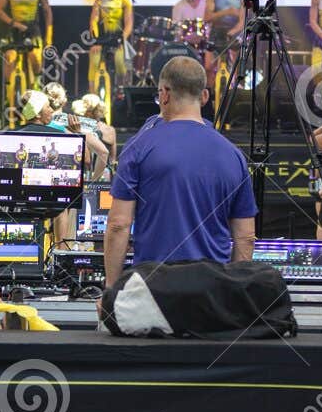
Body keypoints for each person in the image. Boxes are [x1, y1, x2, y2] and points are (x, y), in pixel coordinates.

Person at [105, 56, 256, 282]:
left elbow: (119, 225)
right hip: (212, 293)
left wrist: (111, 290)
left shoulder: (138, 147)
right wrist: (232, 291)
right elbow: (246, 238)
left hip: (153, 290)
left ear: (164, 94)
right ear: (204, 96)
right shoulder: (234, 155)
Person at [89, 0, 134, 85]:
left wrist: (122, 39)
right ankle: (92, 93)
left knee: (120, 62)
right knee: (94, 61)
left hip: (118, 39)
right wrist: (96, 41)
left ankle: (120, 91)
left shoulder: (125, 1)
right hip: (102, 39)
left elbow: (129, 23)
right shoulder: (99, 1)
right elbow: (93, 21)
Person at [203, 0, 244, 84]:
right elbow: (207, 18)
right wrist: (227, 12)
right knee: (208, 68)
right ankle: (211, 98)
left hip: (235, 33)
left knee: (238, 70)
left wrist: (233, 32)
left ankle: (237, 94)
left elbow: (242, 21)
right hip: (217, 32)